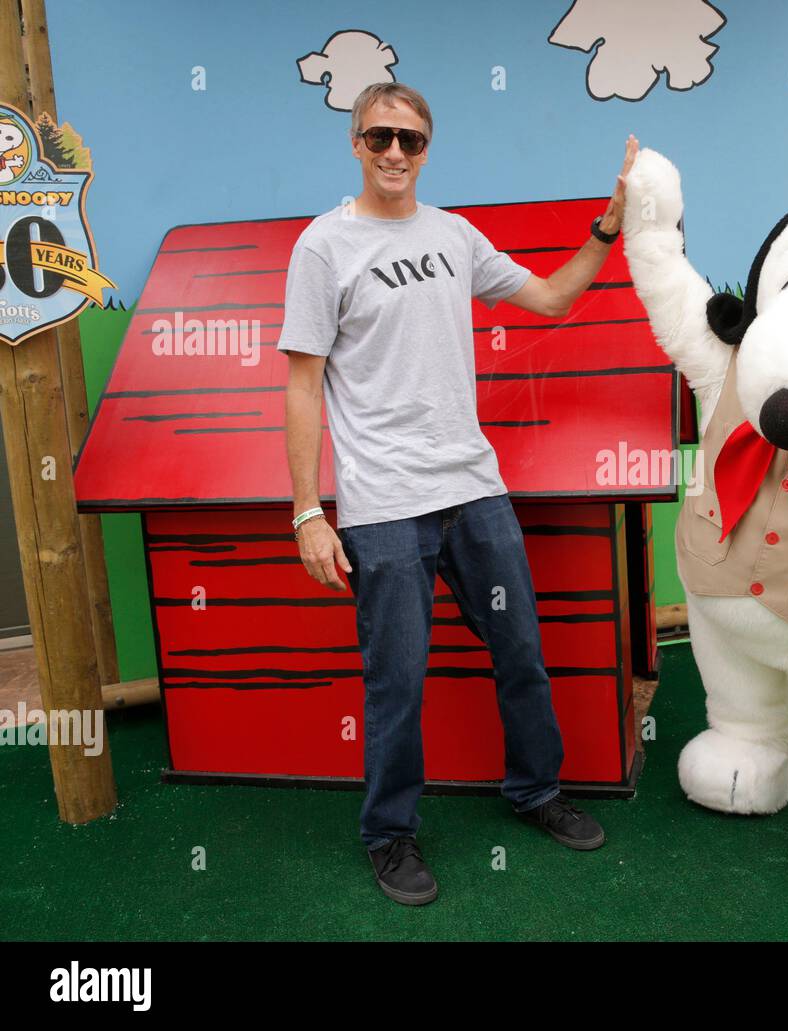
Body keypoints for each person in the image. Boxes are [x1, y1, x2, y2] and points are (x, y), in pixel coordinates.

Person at [278, 81, 637, 906]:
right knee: (397, 682)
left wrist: (607, 226)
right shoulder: (322, 248)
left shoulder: (455, 235)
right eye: (379, 138)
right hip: (381, 506)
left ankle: (535, 789)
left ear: (428, 147)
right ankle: (389, 833)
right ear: (355, 145)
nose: (395, 152)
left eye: (409, 139)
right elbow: (303, 386)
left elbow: (549, 298)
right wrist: (307, 511)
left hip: (474, 488)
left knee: (520, 649)